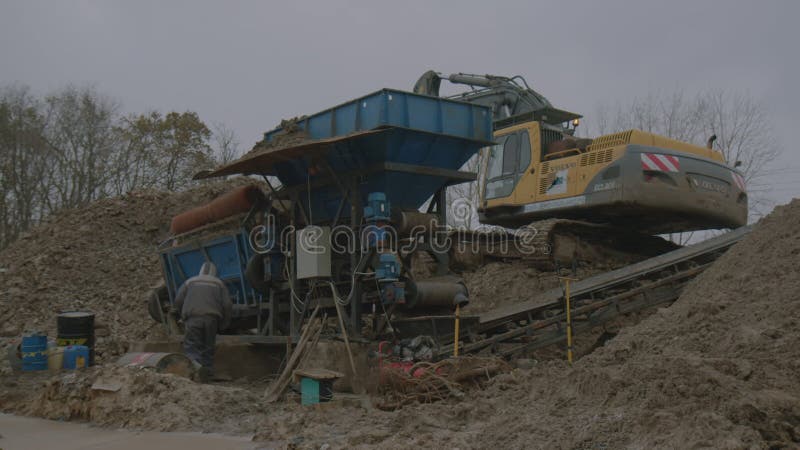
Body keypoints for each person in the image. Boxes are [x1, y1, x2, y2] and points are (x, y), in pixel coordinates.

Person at [173, 262, 232, 381]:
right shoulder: (219, 283)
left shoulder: (190, 281)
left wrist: (183, 315)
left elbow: (178, 299)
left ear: (200, 270)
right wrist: (225, 322)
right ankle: (207, 375)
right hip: (211, 320)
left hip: (193, 318)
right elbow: (227, 304)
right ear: (214, 273)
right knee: (208, 347)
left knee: (192, 347)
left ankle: (195, 375)